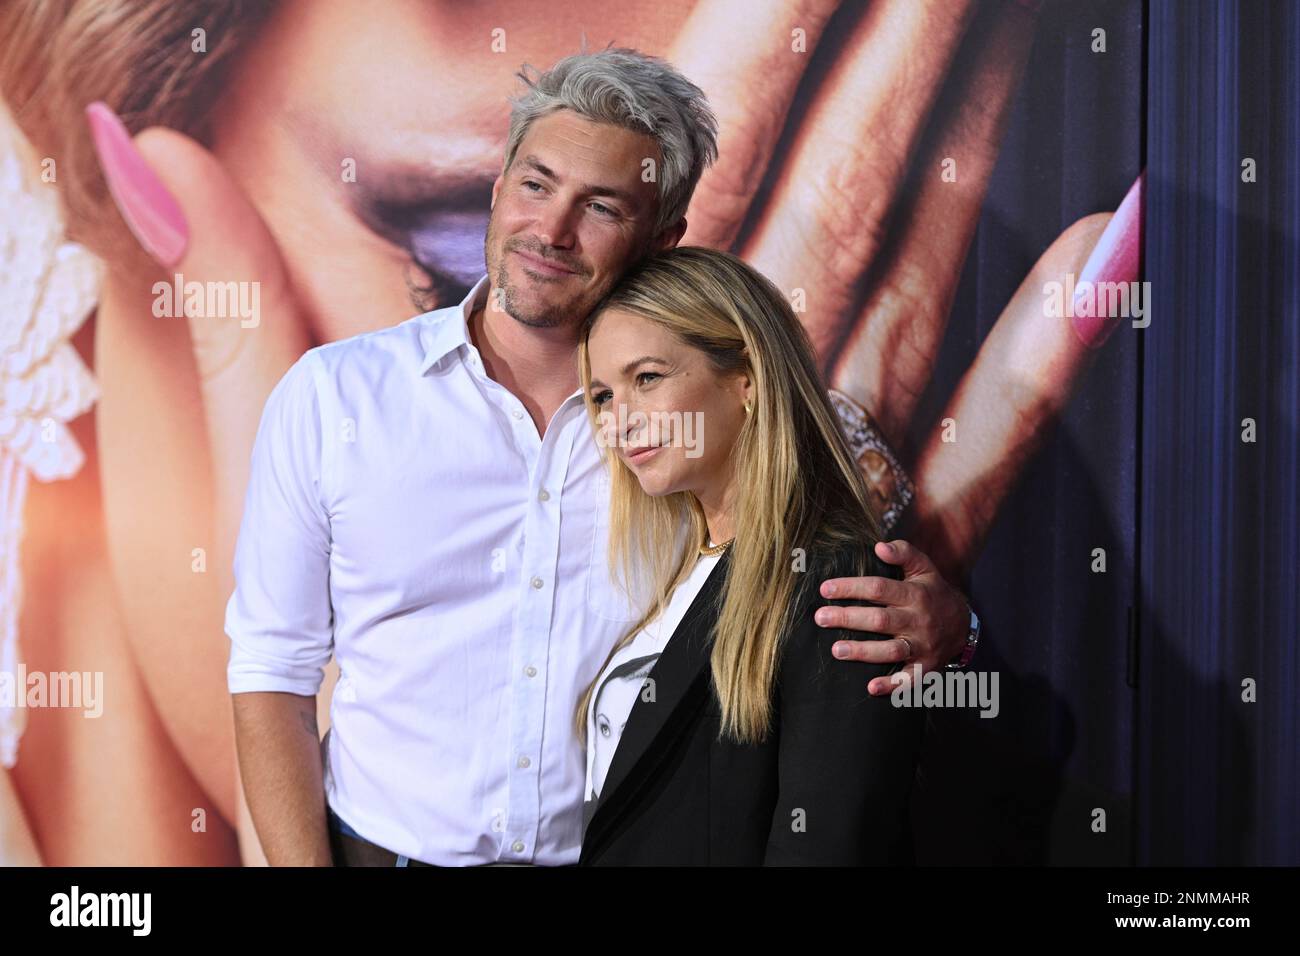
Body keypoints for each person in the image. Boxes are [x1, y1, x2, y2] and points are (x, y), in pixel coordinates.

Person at [222, 48, 971, 867]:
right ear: (500, 186)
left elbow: (813, 587)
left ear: (663, 238)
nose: (551, 230)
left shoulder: (684, 428)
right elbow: (272, 672)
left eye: (602, 206)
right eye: (536, 184)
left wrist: (954, 633)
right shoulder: (334, 398)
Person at [577, 247, 923, 864]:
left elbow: (828, 847)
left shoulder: (838, 578)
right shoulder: (685, 564)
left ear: (747, 381)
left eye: (647, 378)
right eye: (603, 395)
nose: (619, 420)